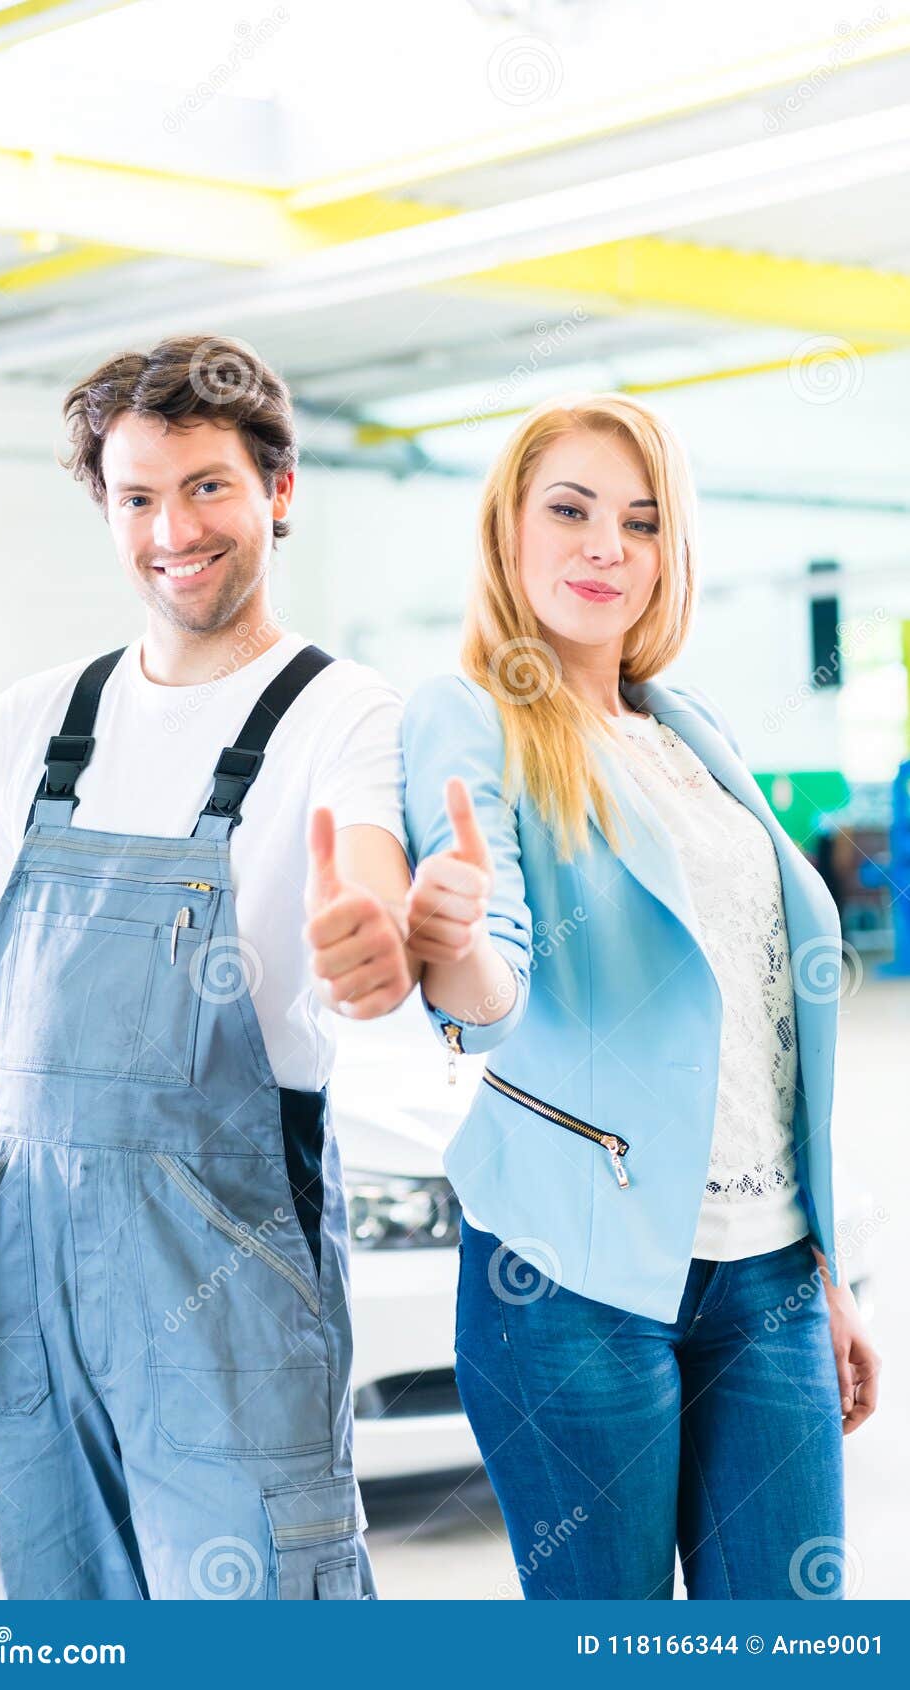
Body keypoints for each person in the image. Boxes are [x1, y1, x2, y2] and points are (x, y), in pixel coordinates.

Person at [0, 334, 418, 1601]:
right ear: (107, 508)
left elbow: (375, 888)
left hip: (230, 1305)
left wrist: (382, 939)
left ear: (277, 493)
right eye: (137, 496)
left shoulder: (344, 714)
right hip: (28, 1305)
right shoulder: (32, 724)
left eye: (206, 487)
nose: (171, 529)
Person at [401, 393, 880, 1600]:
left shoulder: (689, 728)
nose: (606, 544)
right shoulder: (470, 717)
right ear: (509, 529)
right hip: (574, 1278)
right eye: (570, 509)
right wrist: (450, 935)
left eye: (642, 520)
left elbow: (764, 1020)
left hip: (767, 1273)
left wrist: (822, 1267)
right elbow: (492, 984)